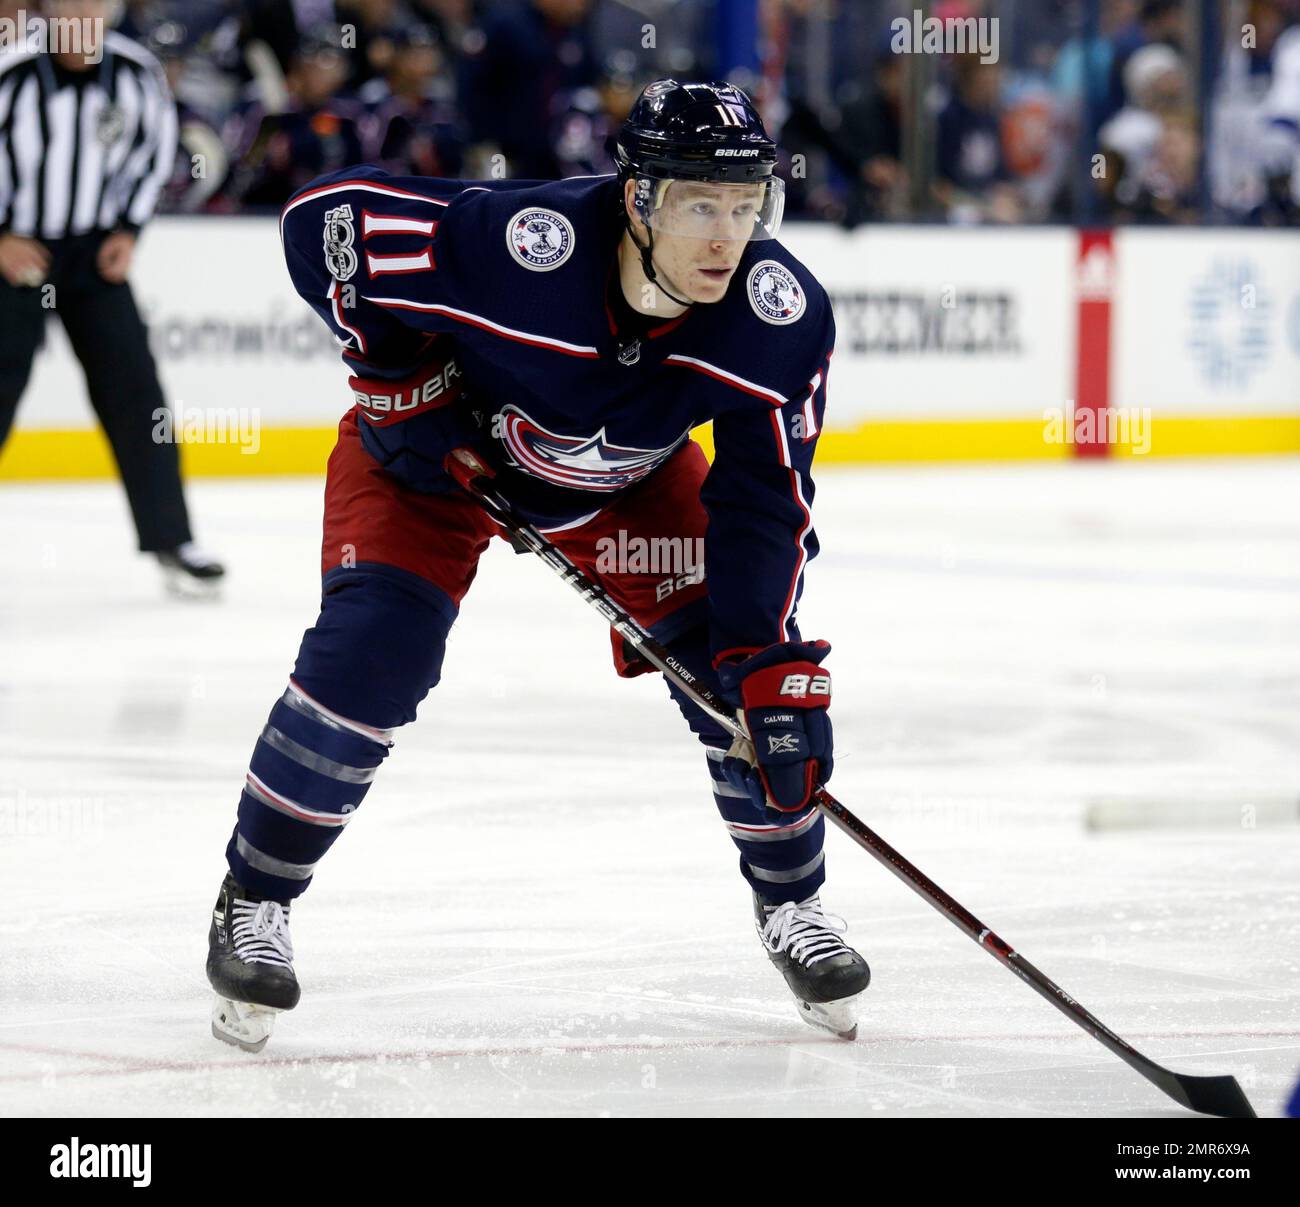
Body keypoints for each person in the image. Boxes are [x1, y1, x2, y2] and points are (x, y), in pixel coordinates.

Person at [204, 79, 869, 1052]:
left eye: (744, 204)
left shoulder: (779, 316)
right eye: (696, 204)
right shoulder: (524, 247)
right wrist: (399, 385)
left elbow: (767, 501)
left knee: (745, 685)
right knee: (372, 660)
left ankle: (794, 904)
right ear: (636, 198)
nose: (726, 235)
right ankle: (254, 899)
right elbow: (323, 222)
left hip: (625, 489)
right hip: (431, 470)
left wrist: (764, 657)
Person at [0, 0, 224, 593]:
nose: (82, 13)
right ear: (46, 9)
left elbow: (155, 154)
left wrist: (128, 230)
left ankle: (173, 538)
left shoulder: (135, 72)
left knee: (136, 391)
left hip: (94, 256)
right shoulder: (12, 70)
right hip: (15, 255)